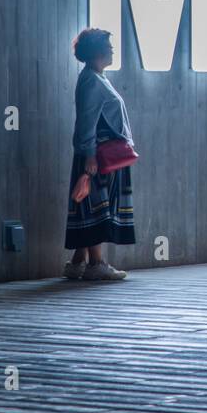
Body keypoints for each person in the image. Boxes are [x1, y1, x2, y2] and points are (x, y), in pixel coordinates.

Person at [64, 28, 135, 281]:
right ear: (97, 52)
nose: (113, 50)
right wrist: (90, 156)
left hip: (99, 152)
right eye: (108, 46)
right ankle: (96, 264)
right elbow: (87, 122)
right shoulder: (92, 81)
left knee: (87, 203)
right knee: (96, 205)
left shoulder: (96, 77)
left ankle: (78, 262)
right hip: (98, 154)